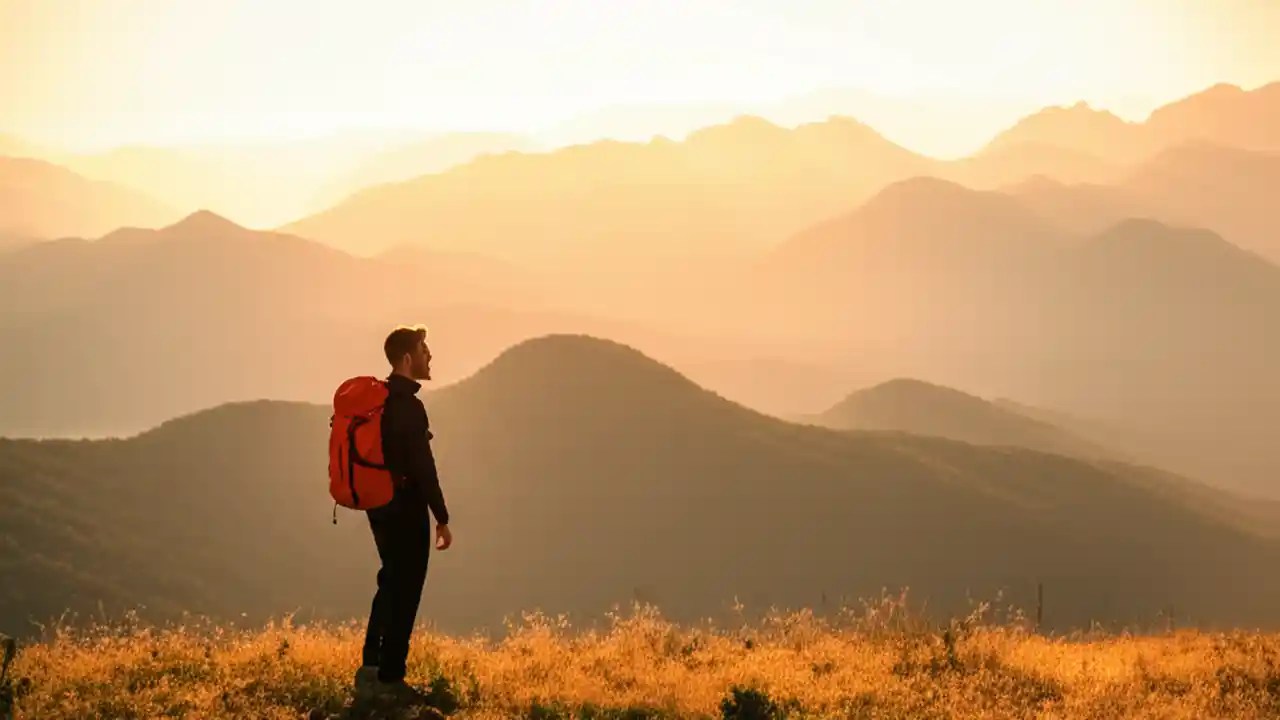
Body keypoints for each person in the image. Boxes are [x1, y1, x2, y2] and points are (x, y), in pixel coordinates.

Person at [356, 325, 453, 703]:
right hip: (405, 506)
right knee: (407, 587)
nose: (430, 357)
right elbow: (423, 467)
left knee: (389, 582)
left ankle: (371, 666)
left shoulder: (377, 402)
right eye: (425, 351)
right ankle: (391, 679)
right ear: (408, 359)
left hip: (377, 504)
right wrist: (441, 516)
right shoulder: (409, 407)